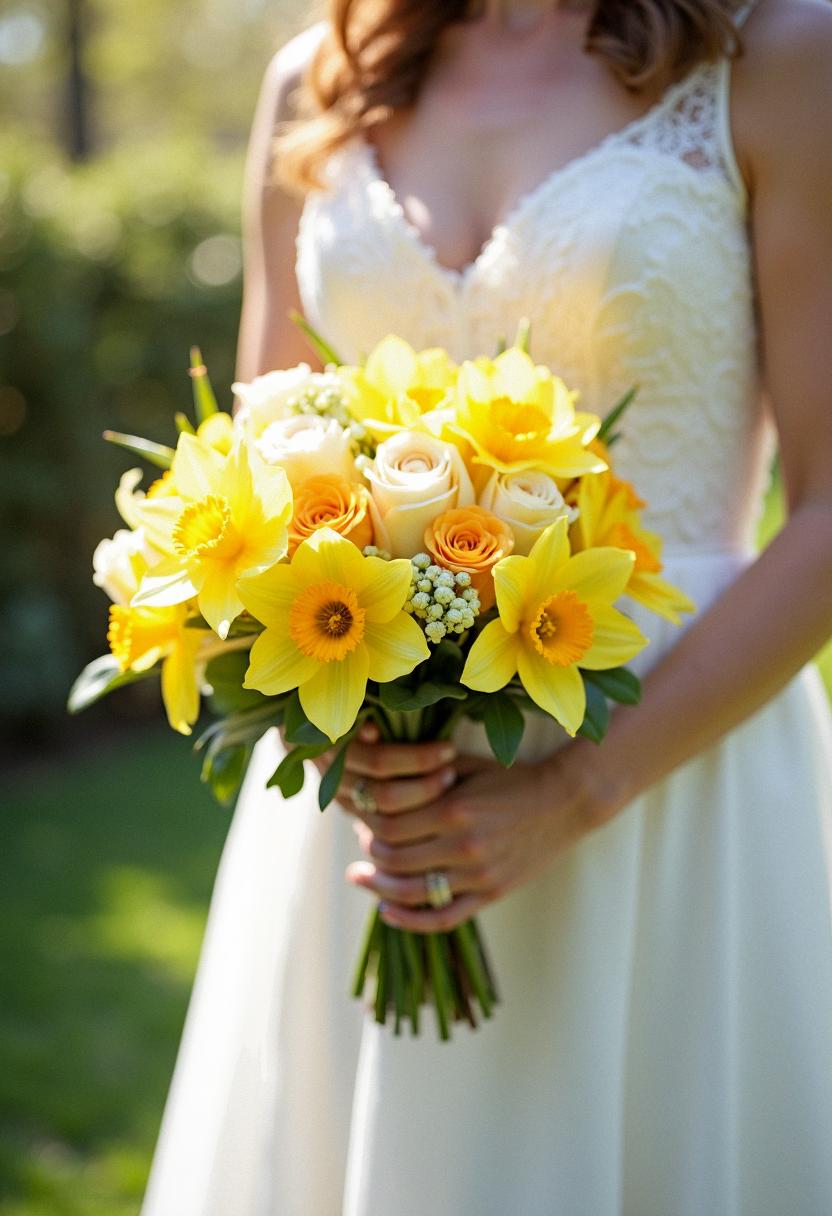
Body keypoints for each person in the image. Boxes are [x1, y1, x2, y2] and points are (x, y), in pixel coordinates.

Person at [141, 1, 832, 1212]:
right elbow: (257, 457)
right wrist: (334, 724)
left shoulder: (775, 52)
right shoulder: (322, 76)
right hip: (364, 793)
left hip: (667, 772)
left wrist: (575, 789)